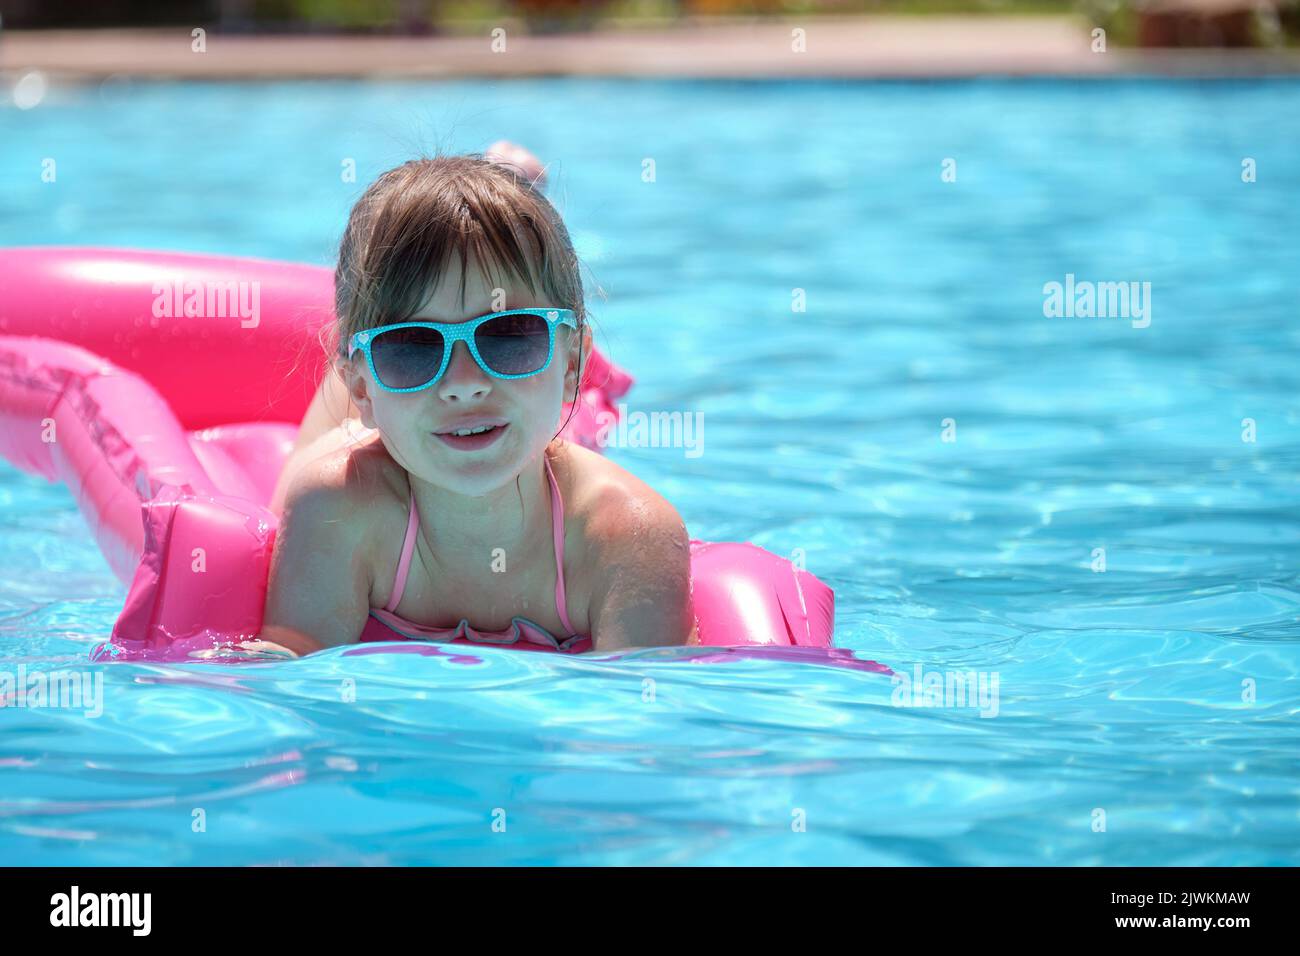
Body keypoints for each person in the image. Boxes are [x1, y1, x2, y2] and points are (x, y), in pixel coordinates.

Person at [256, 144, 696, 656]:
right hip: (384, 430)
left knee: (525, 415)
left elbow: (641, 720)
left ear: (574, 363)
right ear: (361, 391)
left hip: (510, 422)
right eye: (412, 346)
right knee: (310, 461)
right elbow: (290, 686)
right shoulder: (336, 506)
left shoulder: (624, 535)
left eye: (510, 334)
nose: (463, 382)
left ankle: (508, 195)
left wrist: (414, 358)